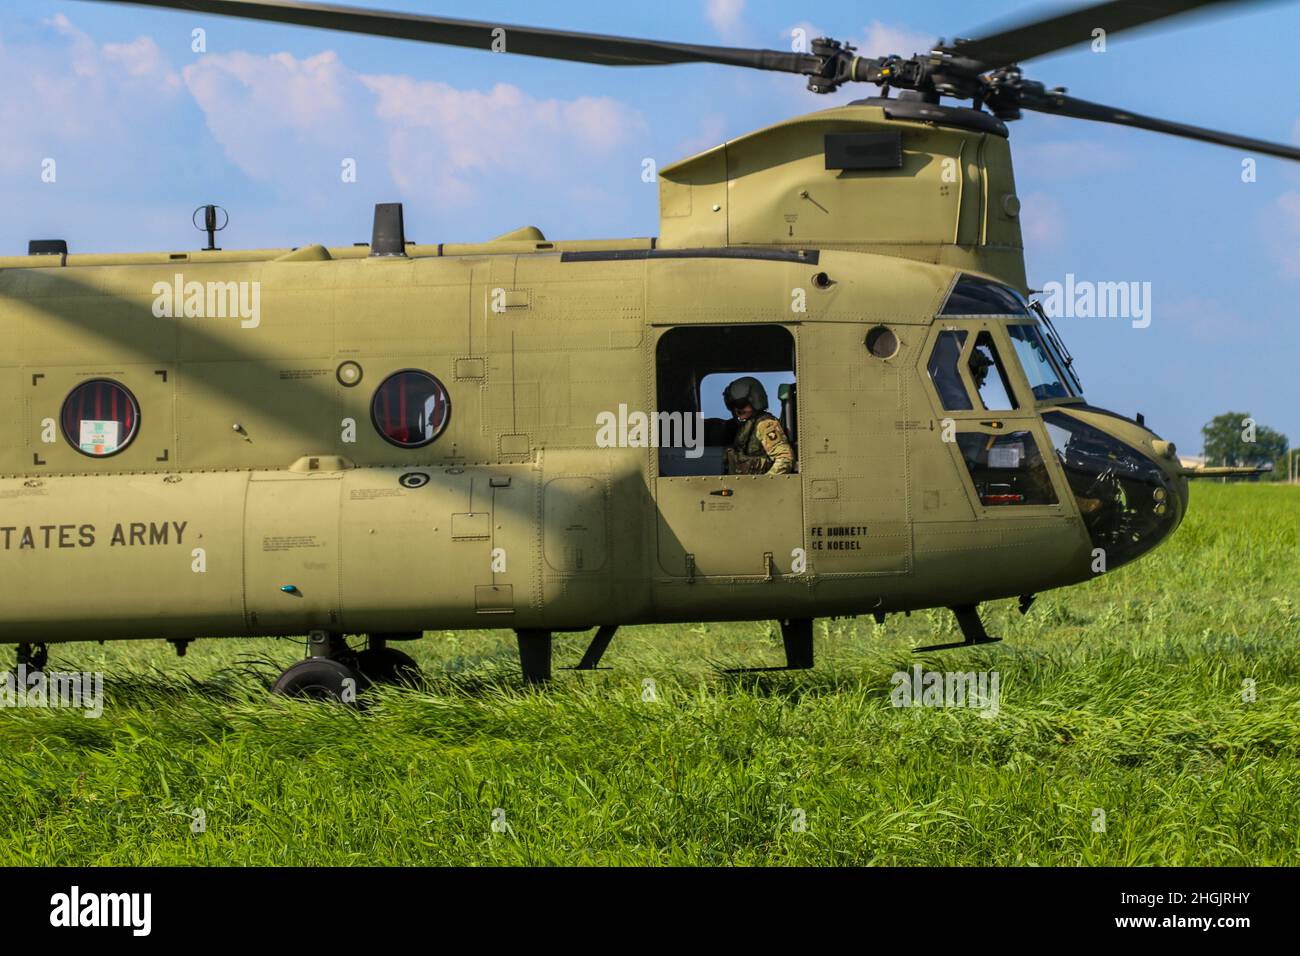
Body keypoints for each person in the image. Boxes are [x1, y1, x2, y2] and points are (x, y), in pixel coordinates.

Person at [722, 376, 794, 475]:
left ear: (755, 399)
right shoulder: (745, 425)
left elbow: (784, 458)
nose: (737, 410)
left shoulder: (764, 424)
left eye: (741, 404)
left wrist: (765, 483)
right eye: (733, 406)